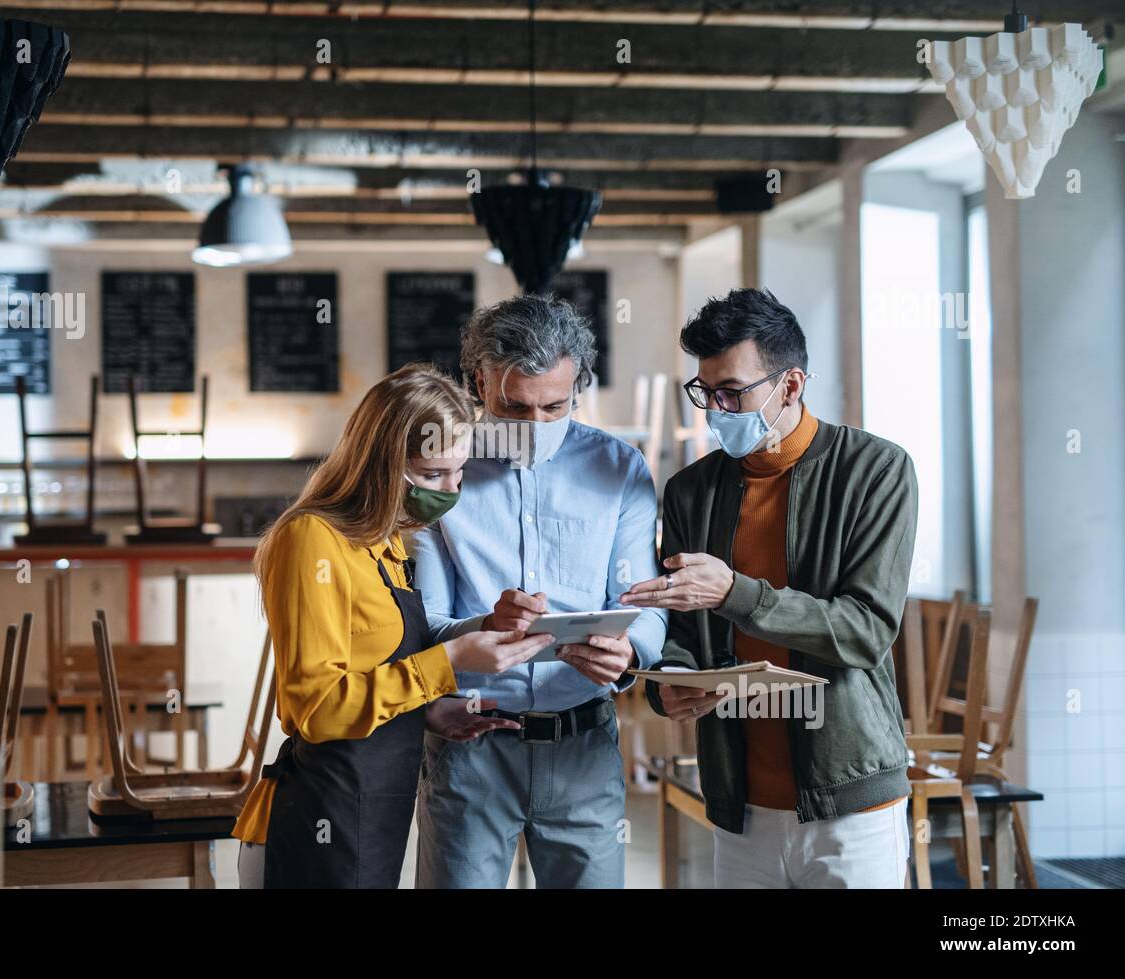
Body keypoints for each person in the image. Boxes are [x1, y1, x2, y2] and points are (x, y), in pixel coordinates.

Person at [621, 288, 916, 888]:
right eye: (706, 392)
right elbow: (679, 630)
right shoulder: (689, 491)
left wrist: (735, 593)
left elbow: (865, 630)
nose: (717, 409)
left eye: (733, 391)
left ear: (791, 384)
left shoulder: (876, 471)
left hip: (850, 798)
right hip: (740, 800)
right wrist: (671, 683)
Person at [232, 364, 554, 889]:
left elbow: (375, 671)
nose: (451, 492)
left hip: (369, 816)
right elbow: (315, 710)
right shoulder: (312, 539)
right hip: (315, 818)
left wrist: (429, 713)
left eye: (459, 472)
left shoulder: (387, 544)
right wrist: (448, 663)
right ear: (380, 463)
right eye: (432, 476)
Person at [411, 294, 668, 889]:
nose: (535, 426)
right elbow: (426, 624)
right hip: (470, 742)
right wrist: (482, 628)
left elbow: (643, 602)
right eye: (515, 407)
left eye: (555, 406)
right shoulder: (442, 467)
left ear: (578, 386)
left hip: (583, 745)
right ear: (480, 382)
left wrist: (630, 653)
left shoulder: (620, 469)